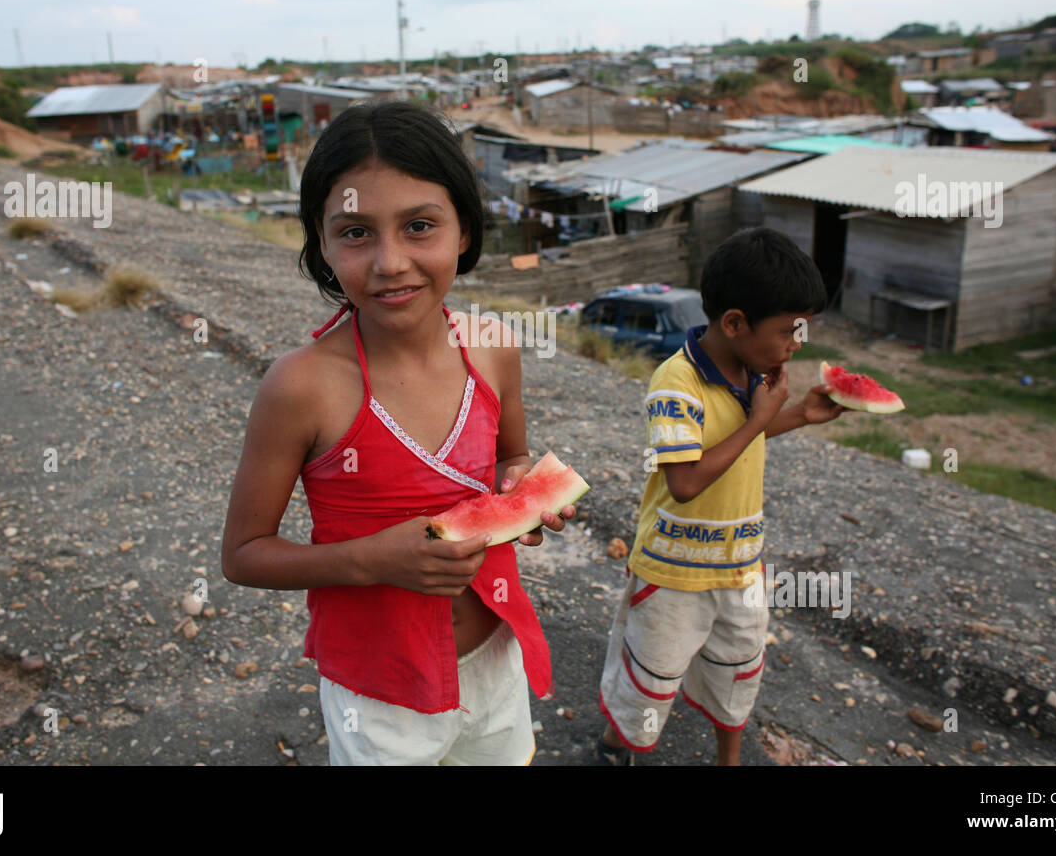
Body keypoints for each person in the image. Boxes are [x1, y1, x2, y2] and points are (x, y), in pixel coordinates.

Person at [221, 100, 575, 766]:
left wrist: (523, 492)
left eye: (419, 226)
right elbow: (243, 554)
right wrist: (369, 559)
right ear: (321, 245)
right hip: (378, 696)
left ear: (464, 231)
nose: (390, 261)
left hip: (497, 661)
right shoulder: (299, 386)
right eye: (355, 232)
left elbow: (513, 459)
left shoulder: (494, 348)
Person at [594, 228, 846, 766]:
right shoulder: (675, 382)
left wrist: (798, 413)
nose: (795, 345)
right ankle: (618, 746)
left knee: (737, 671)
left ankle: (728, 760)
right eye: (787, 332)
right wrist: (759, 417)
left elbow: (737, 439)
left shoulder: (752, 370)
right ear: (734, 322)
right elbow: (685, 482)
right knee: (650, 677)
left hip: (739, 565)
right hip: (673, 570)